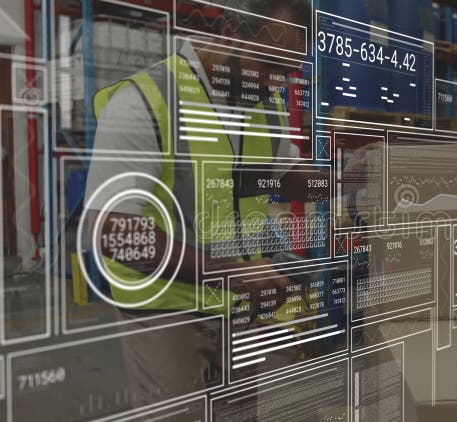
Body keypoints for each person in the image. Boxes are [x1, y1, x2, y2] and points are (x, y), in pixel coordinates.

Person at [82, 0, 318, 406]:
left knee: (239, 414)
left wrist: (354, 177)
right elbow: (109, 231)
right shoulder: (147, 101)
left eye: (288, 73)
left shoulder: (263, 103)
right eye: (268, 66)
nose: (276, 84)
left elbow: (288, 177)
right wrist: (233, 274)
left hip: (237, 306)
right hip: (166, 308)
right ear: (229, 33)